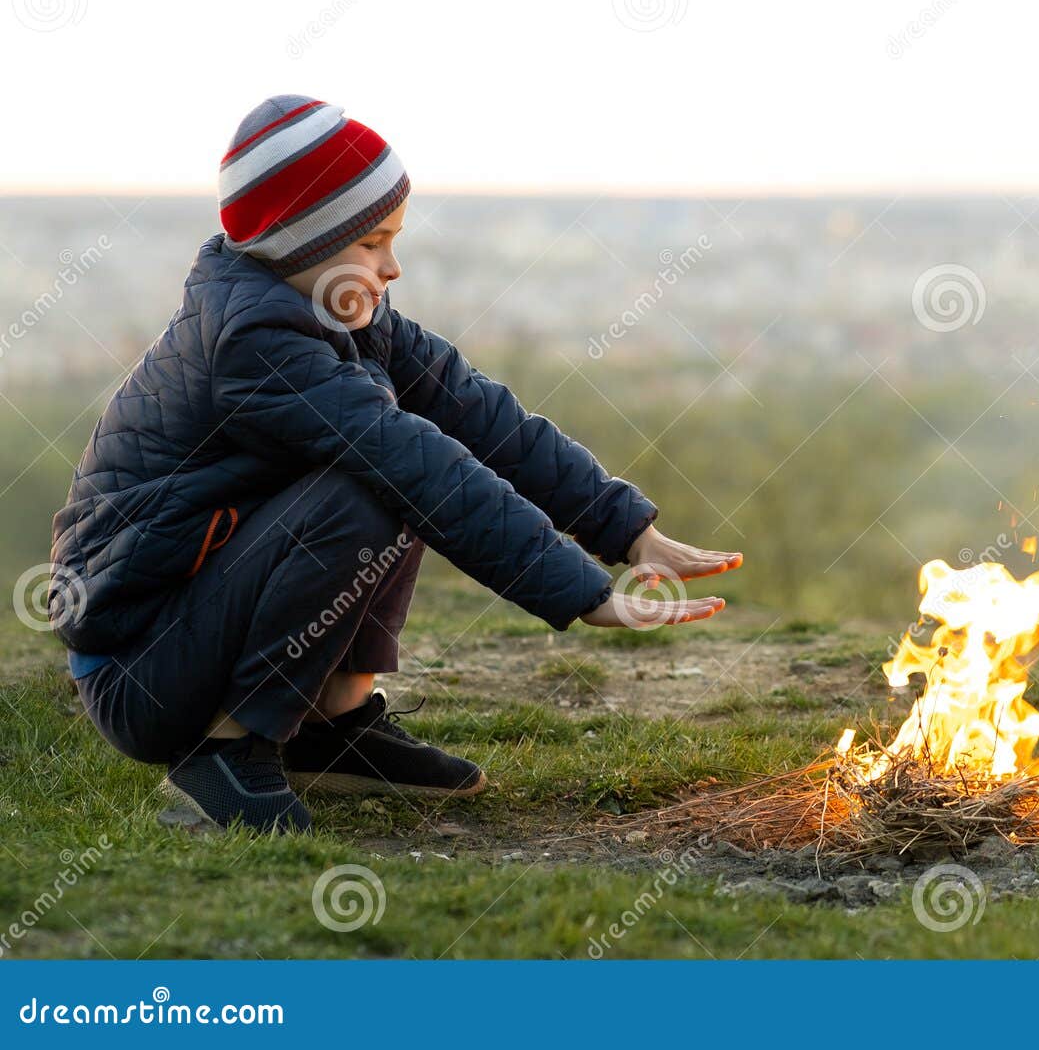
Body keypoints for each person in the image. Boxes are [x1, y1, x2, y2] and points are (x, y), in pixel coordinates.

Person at [48, 95, 741, 833]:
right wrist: (582, 593)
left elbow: (481, 415)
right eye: (373, 241)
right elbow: (417, 463)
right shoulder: (254, 341)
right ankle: (221, 751)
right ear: (306, 240)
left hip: (185, 630)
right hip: (139, 670)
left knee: (397, 464)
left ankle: (332, 729)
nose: (393, 265)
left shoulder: (342, 312)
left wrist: (626, 530)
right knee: (380, 480)